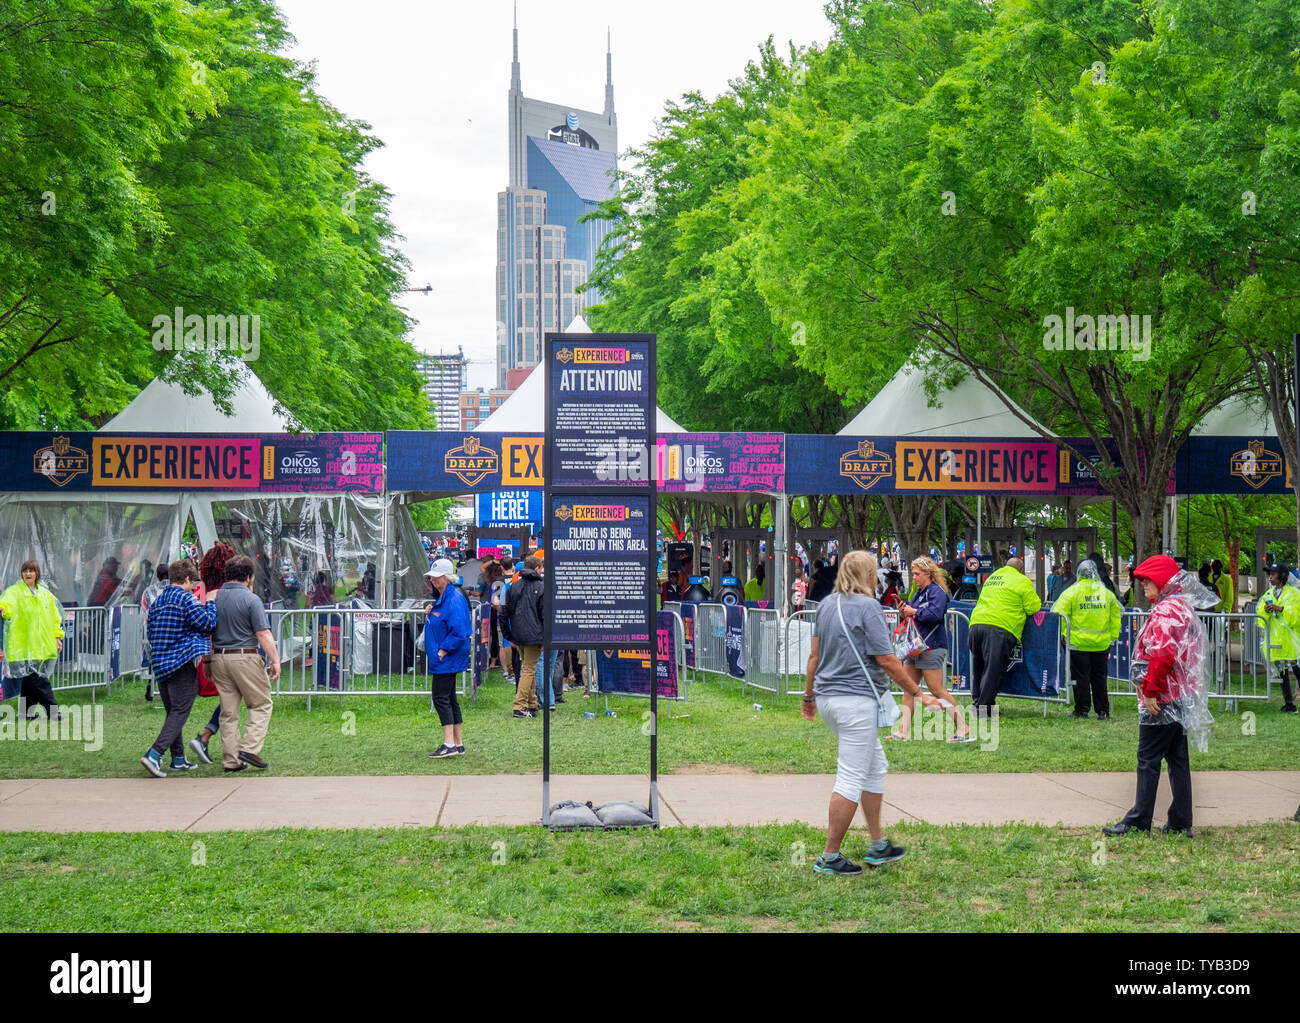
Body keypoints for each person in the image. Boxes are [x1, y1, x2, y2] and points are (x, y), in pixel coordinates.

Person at [799, 551, 914, 875]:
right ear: (867, 575)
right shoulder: (869, 607)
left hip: (829, 701)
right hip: (856, 703)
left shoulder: (824, 606)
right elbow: (887, 660)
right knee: (850, 777)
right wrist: (918, 692)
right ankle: (829, 856)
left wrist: (808, 696)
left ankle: (878, 844)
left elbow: (814, 657)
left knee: (875, 765)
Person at [1104, 556, 1214, 837]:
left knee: (1148, 758)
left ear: (1163, 581)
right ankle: (1180, 821)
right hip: (1177, 696)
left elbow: (1162, 654)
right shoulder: (1179, 607)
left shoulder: (1167, 610)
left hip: (1163, 697)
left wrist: (1150, 691)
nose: (1142, 586)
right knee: (1177, 759)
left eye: (1147, 581)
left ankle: (1140, 819)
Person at [140, 559, 216, 777]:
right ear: (187, 579)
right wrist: (210, 602)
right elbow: (208, 623)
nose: (194, 587)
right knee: (180, 711)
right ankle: (154, 754)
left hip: (160, 665)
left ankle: (179, 758)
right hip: (181, 663)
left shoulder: (158, 602)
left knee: (173, 712)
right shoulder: (187, 598)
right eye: (193, 583)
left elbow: (151, 631)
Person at [208, 555, 280, 773]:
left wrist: (206, 660)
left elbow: (206, 629)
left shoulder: (213, 598)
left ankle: (231, 760)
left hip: (218, 657)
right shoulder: (251, 599)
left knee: (228, 713)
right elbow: (262, 633)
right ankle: (249, 747)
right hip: (245, 656)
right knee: (261, 704)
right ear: (249, 577)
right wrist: (275, 660)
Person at [889, 557, 970, 742]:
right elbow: (916, 615)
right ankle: (903, 731)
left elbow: (934, 615)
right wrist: (905, 611)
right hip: (915, 646)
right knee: (909, 688)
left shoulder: (938, 592)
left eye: (917, 574)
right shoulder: (919, 593)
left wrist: (914, 612)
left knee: (937, 689)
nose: (914, 577)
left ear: (928, 573)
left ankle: (963, 726)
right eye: (913, 573)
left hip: (932, 646)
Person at [968, 557, 1042, 715]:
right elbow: (1033, 607)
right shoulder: (1022, 581)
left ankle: (977, 703)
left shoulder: (993, 577)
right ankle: (984, 708)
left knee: (978, 666)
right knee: (993, 669)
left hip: (976, 624)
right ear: (1021, 570)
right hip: (1000, 627)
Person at [1053, 559, 1122, 720]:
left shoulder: (1072, 592)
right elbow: (1116, 615)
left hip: (1078, 643)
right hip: (1101, 643)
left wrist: (1064, 635)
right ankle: (1102, 710)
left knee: (1080, 677)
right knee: (1099, 677)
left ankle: (1082, 709)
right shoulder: (1106, 593)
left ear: (1079, 574)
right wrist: (1113, 636)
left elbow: (1059, 614)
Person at [0, 561, 65, 720]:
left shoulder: (45, 594)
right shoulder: (14, 592)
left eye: (31, 571)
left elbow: (56, 617)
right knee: (40, 680)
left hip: (42, 645)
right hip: (24, 647)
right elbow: (7, 605)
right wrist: (3, 609)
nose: (28, 574)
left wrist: (57, 637)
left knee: (30, 681)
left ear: (37, 573)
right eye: (25, 571)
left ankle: (25, 714)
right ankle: (53, 711)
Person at [425, 559, 471, 758]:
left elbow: (459, 632)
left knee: (441, 698)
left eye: (437, 577)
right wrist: (430, 611)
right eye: (432, 578)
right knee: (450, 698)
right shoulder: (447, 597)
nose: (433, 581)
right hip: (446, 657)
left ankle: (449, 743)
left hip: (447, 657)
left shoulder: (453, 599)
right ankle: (457, 743)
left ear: (446, 577)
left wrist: (443, 650)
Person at [503, 555, 545, 718]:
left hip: (518, 635)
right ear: (537, 569)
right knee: (528, 669)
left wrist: (508, 635)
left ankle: (532, 703)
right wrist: (545, 637)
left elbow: (504, 613)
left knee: (528, 667)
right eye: (541, 568)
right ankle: (519, 706)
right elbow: (544, 615)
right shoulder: (541, 587)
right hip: (534, 636)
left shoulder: (513, 586)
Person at [1256, 562, 1299, 713]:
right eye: (1270, 574)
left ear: (1282, 576)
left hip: (1291, 643)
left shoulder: (1294, 593)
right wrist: (1267, 611)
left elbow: (1296, 617)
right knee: (1282, 674)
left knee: (1297, 671)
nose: (1270, 577)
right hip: (1275, 642)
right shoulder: (1268, 595)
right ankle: (1289, 704)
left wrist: (1280, 609)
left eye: (1273, 574)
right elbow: (1260, 617)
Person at [140, 561, 170, 703]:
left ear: (157, 576)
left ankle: (152, 685)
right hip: (172, 631)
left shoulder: (148, 591)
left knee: (154, 659)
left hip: (154, 632)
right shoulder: (176, 590)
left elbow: (144, 612)